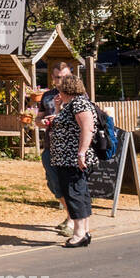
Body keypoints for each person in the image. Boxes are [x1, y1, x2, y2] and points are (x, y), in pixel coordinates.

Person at [49, 75, 97, 248]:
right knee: (78, 193)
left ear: (67, 89)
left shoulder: (79, 104)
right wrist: (57, 108)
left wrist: (81, 153)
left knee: (74, 194)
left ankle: (78, 234)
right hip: (66, 159)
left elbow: (87, 128)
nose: (57, 90)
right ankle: (83, 231)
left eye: (59, 88)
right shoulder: (71, 105)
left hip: (73, 159)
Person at [38, 62, 74, 236]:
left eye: (65, 77)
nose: (62, 81)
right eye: (58, 77)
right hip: (50, 146)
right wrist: (42, 121)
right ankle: (71, 215)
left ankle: (72, 219)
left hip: (70, 149)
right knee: (54, 184)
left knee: (69, 184)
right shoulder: (47, 96)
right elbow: (38, 119)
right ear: (53, 79)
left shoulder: (78, 96)